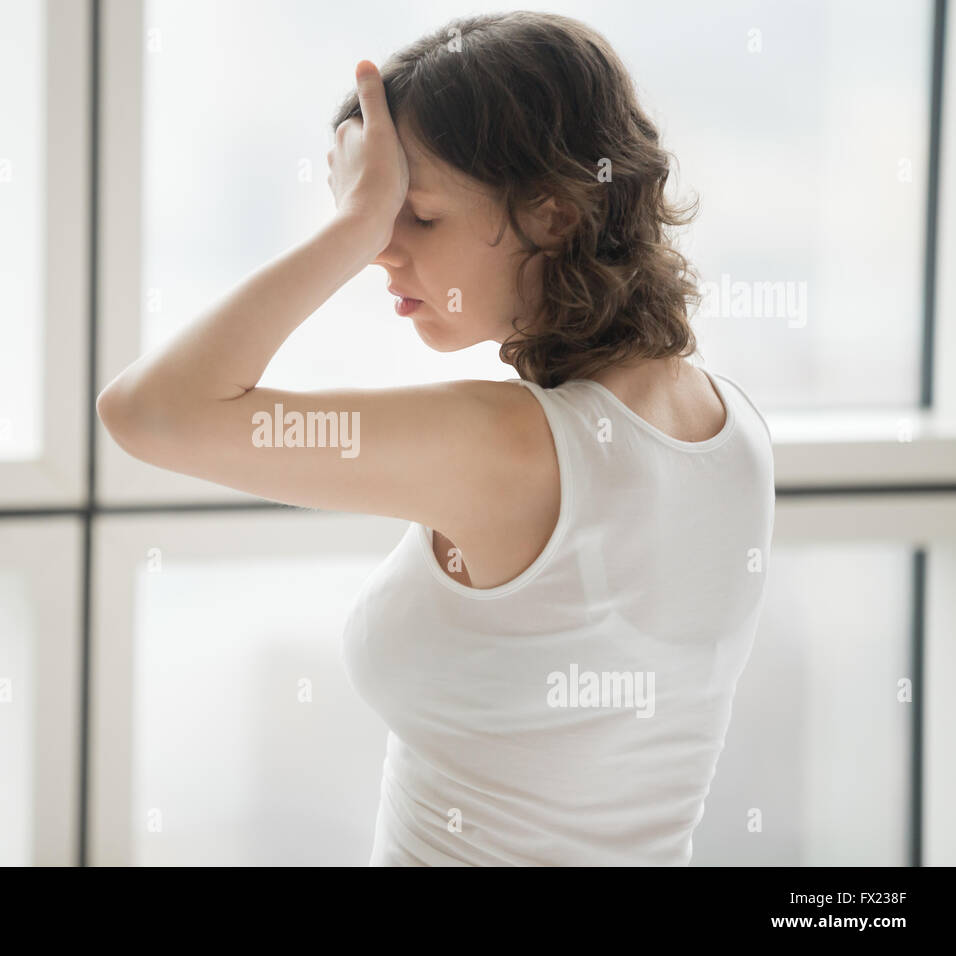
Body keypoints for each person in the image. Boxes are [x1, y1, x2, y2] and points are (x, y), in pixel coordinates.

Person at [97, 11, 775, 866]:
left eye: (413, 214)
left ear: (554, 213)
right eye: (375, 219)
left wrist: (344, 233)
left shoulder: (511, 447)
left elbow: (150, 413)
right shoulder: (732, 425)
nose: (385, 250)